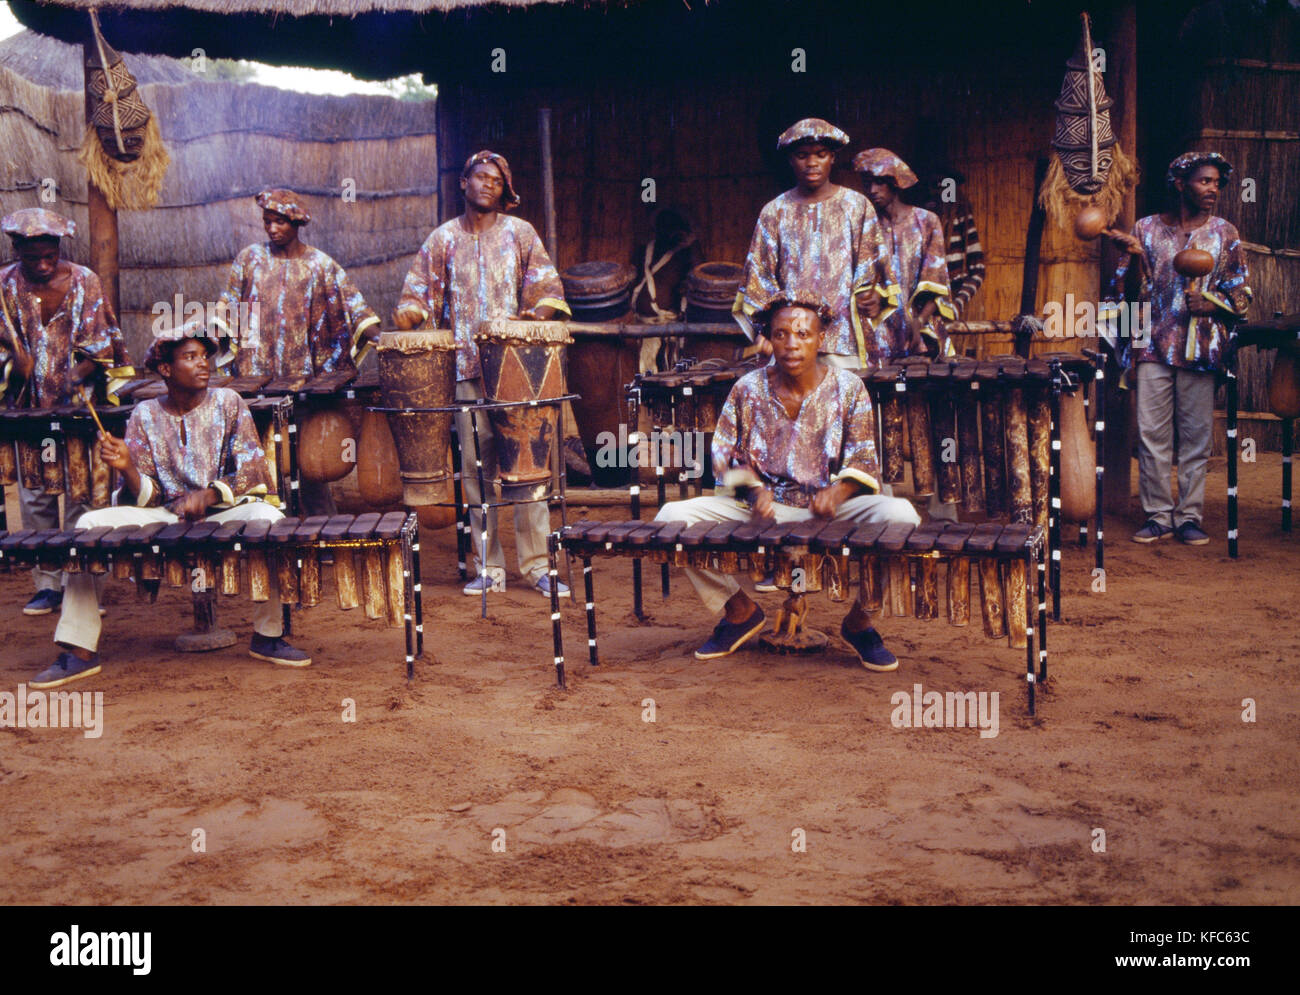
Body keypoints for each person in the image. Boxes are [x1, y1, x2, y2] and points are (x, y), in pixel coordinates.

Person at [29, 329, 310, 690]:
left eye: (204, 356)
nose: (202, 364)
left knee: (271, 520)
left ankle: (269, 636)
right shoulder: (144, 414)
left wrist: (209, 495)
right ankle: (79, 649)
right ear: (165, 368)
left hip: (222, 512)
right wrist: (128, 467)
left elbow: (252, 470)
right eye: (190, 357)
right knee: (88, 523)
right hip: (164, 513)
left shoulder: (229, 402)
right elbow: (148, 495)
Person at [655, 293, 922, 669]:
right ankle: (739, 611)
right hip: (764, 510)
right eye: (781, 334)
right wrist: (753, 491)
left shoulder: (849, 389)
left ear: (821, 339)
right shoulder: (746, 389)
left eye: (802, 333)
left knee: (904, 516)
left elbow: (864, 458)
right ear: (769, 339)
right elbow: (722, 454)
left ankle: (861, 623)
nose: (792, 343)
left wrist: (839, 491)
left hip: (830, 508)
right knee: (669, 517)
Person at [395, 150, 572, 598]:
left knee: (528, 470)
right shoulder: (442, 240)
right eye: (481, 176)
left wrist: (538, 311)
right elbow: (417, 296)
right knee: (477, 470)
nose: (489, 184)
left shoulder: (521, 234)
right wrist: (411, 313)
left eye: (497, 179)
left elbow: (549, 289)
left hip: (519, 374)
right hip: (465, 373)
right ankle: (489, 567)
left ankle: (536, 566)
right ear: (464, 182)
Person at [1103, 151, 1251, 545]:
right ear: (1181, 183)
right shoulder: (1147, 229)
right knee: (1152, 435)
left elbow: (1241, 295)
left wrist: (1212, 304)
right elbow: (1127, 293)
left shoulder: (1225, 233)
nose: (1213, 190)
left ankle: (1189, 516)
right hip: (1152, 344)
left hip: (1200, 349)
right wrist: (1134, 257)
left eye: (1217, 183)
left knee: (1196, 437)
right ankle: (1158, 516)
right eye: (1205, 181)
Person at [221, 188, 381, 518]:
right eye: (267, 221)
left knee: (308, 462)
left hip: (306, 382)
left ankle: (321, 536)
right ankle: (270, 534)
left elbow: (354, 306)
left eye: (279, 221)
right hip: (256, 379)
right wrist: (213, 337)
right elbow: (227, 306)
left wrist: (383, 339)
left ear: (296, 222)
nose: (272, 228)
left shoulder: (321, 265)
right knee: (264, 460)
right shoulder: (249, 259)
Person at [0, 208, 122, 617]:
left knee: (82, 494)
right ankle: (47, 584)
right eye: (31, 257)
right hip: (28, 411)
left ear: (58, 247)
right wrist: (12, 367)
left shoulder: (85, 280)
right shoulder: (3, 286)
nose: (42, 263)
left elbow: (106, 343)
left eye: (48, 254)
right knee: (36, 496)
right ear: (16, 249)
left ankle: (80, 582)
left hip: (79, 412)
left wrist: (81, 369)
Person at [733, 118, 897, 370]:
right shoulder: (775, 212)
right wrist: (767, 327)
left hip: (845, 342)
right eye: (802, 155)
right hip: (791, 344)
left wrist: (874, 296)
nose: (811, 163)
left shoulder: (856, 206)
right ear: (790, 160)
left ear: (832, 157)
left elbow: (874, 271)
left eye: (820, 154)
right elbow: (760, 277)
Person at [853, 148, 956, 363]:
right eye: (867, 183)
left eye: (880, 182)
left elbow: (936, 281)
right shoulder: (867, 228)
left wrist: (918, 323)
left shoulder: (926, 221)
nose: (872, 190)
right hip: (881, 333)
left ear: (895, 183)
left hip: (921, 331)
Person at [918, 167, 986, 319]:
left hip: (957, 302)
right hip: (926, 307)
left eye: (941, 184)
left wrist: (956, 304)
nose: (935, 190)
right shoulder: (921, 220)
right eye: (932, 184)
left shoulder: (959, 214)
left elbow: (978, 269)